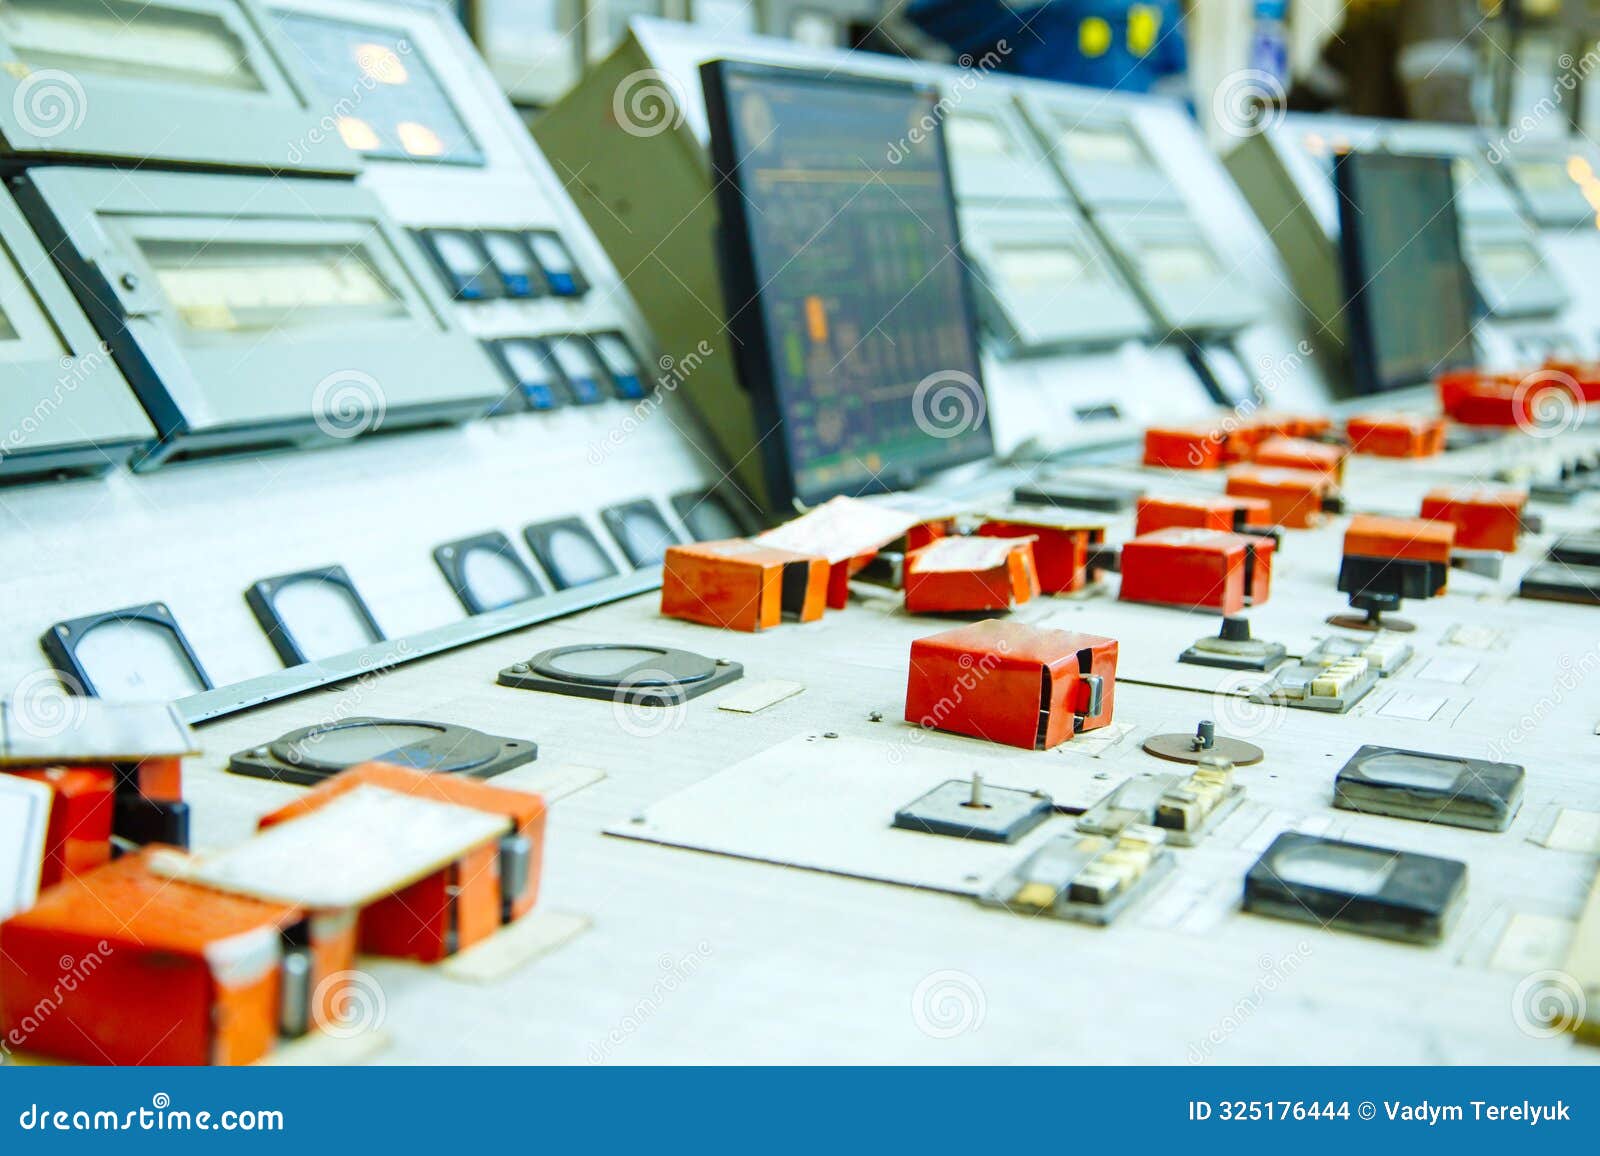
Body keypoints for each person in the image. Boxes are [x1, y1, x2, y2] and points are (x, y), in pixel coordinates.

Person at [901, 0, 1189, 94]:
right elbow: (920, 27)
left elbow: (1174, 77)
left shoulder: (1159, 4)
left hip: (1123, 145)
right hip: (1024, 141)